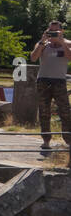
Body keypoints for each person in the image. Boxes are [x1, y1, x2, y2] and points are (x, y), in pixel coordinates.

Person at [30, 20, 71, 152]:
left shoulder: (68, 43)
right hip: (43, 81)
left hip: (59, 81)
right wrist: (42, 41)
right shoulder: (42, 44)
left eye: (56, 31)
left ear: (61, 31)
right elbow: (33, 58)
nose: (53, 34)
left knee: (65, 112)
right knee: (44, 112)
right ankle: (46, 140)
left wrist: (62, 42)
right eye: (50, 31)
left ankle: (68, 141)